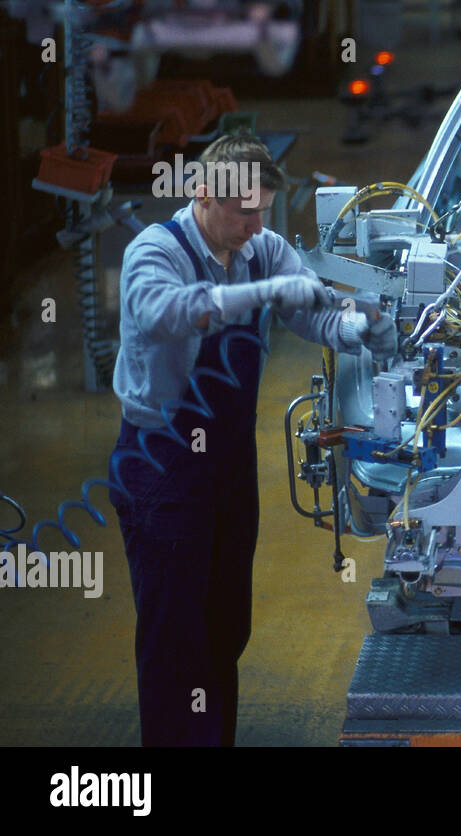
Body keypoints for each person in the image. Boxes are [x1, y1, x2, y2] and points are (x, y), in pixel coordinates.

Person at [108, 133, 398, 746]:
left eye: (264, 210)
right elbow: (166, 313)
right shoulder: (153, 251)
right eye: (245, 212)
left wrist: (360, 328)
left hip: (228, 462)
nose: (257, 224)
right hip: (162, 464)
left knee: (224, 625)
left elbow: (312, 311)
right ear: (202, 194)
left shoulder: (260, 249)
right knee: (173, 636)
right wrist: (264, 292)